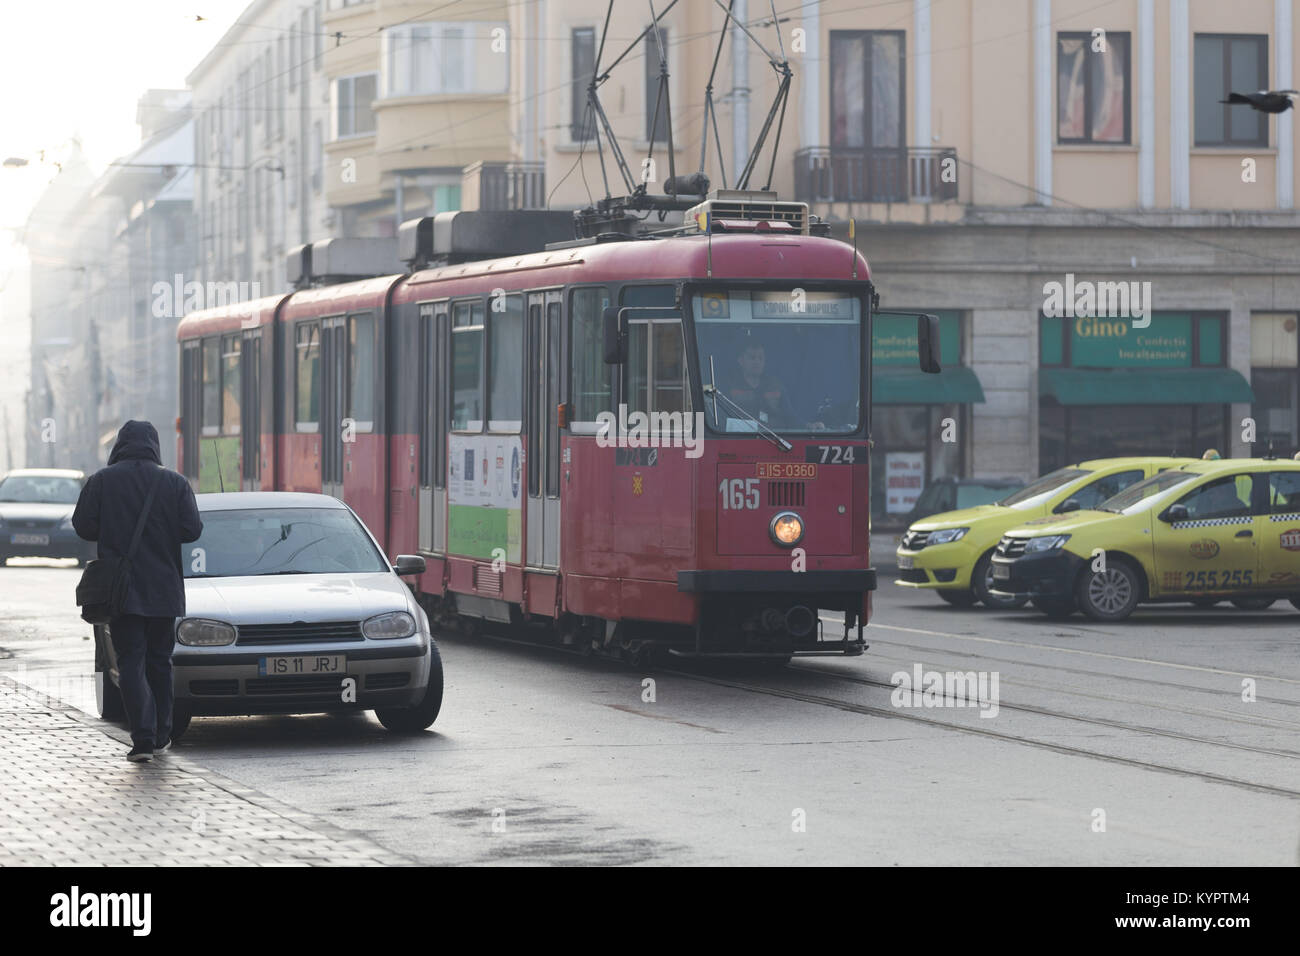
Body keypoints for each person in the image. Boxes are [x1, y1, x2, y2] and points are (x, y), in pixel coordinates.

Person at [73, 420, 203, 762]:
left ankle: (142, 739)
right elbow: (192, 530)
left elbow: (82, 526)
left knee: (131, 661)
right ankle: (163, 733)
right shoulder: (174, 482)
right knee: (160, 662)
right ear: (154, 445)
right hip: (164, 590)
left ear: (120, 445)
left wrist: (113, 525)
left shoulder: (101, 481)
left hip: (122, 591)